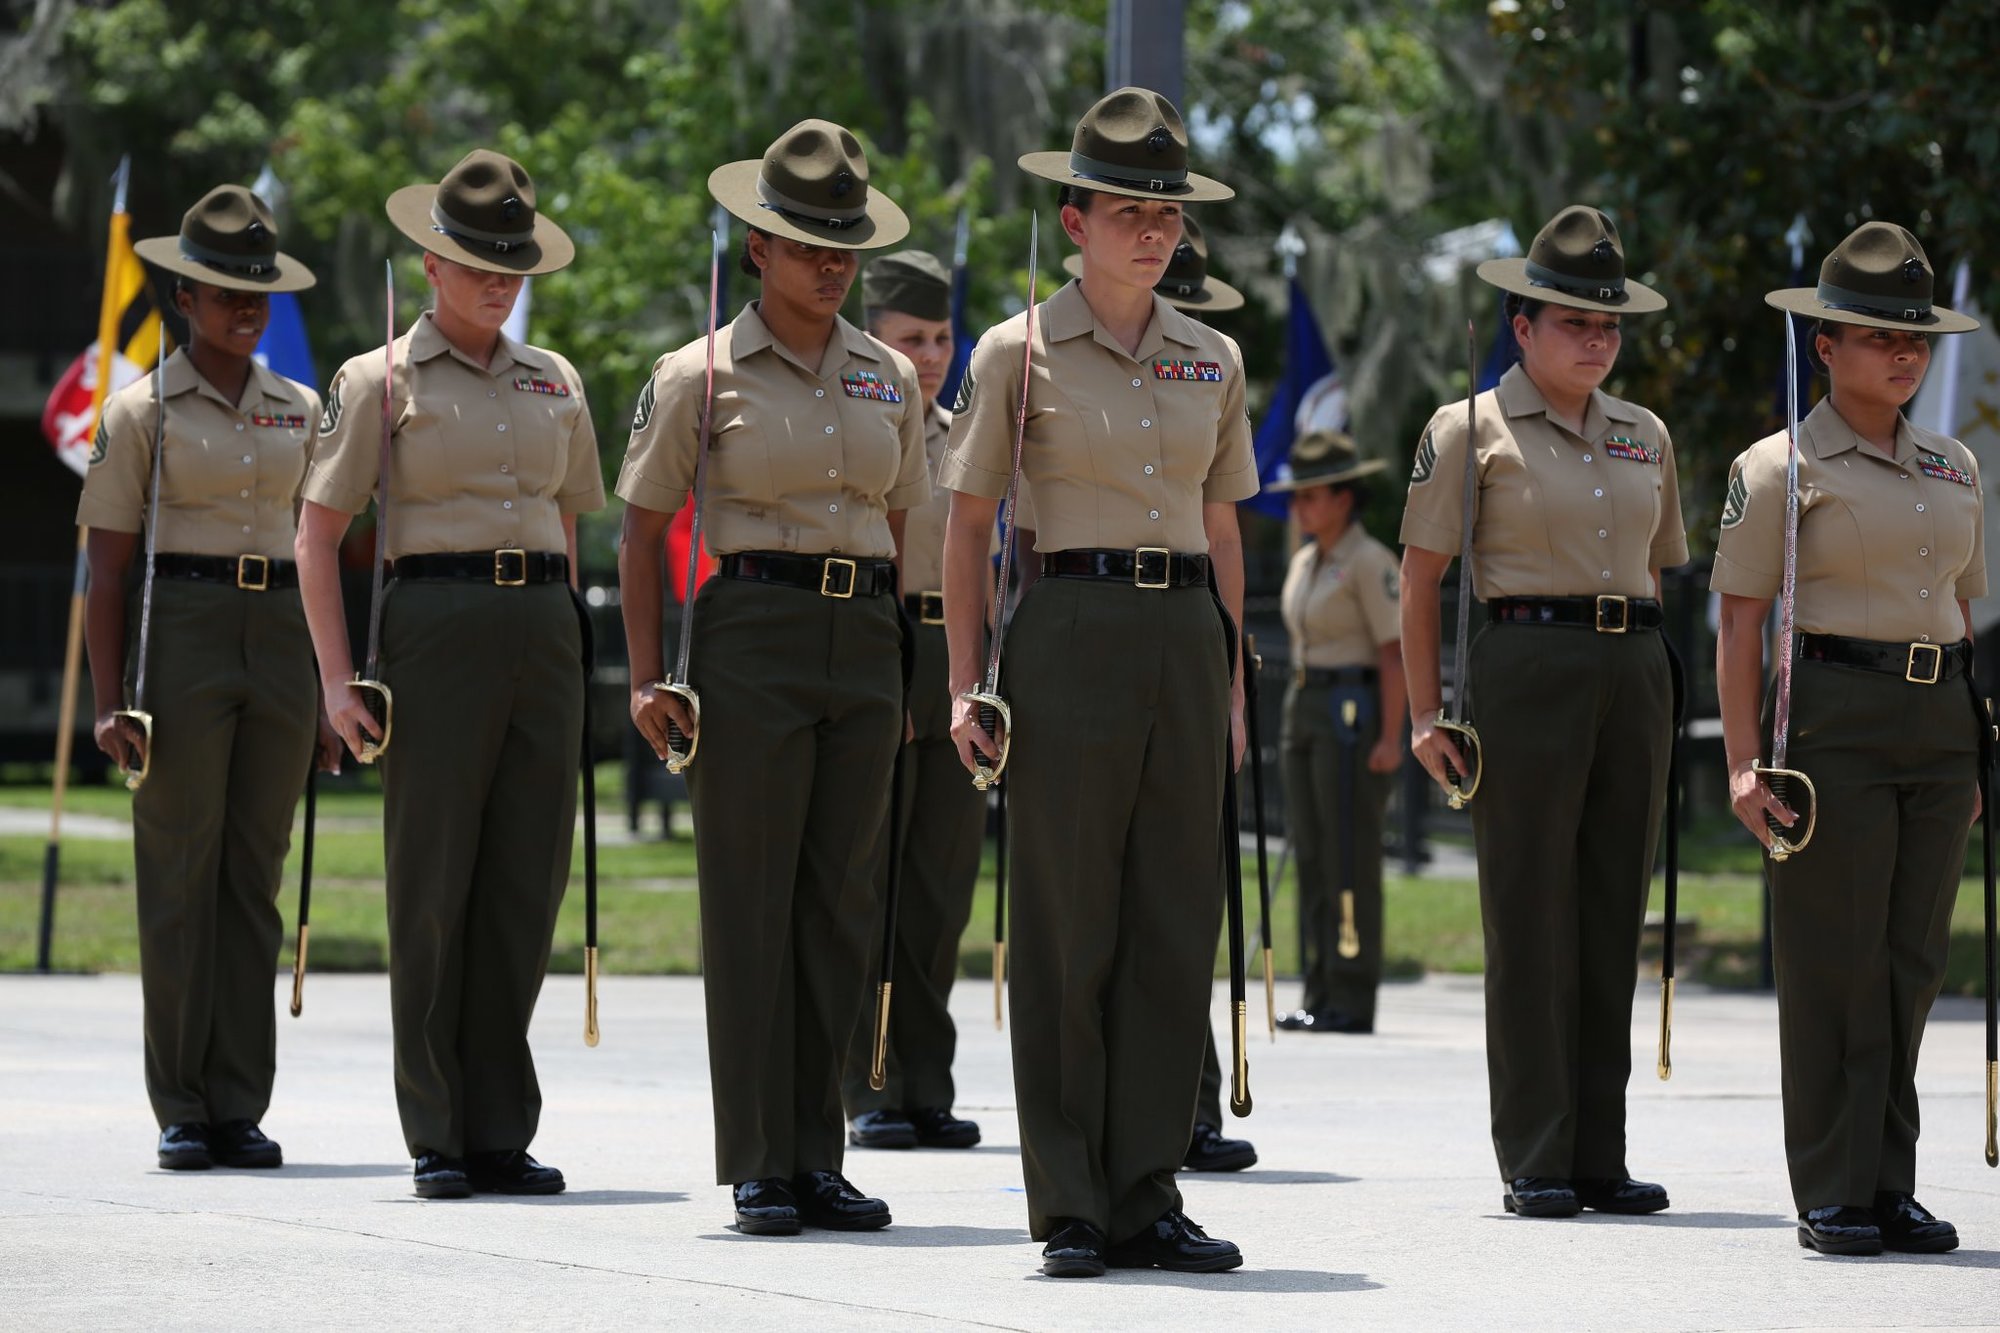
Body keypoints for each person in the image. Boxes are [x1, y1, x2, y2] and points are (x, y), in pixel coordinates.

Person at [941, 87, 1255, 1278]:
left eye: (1166, 213)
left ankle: (1145, 1193)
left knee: (1173, 922)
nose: (1152, 231)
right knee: (1067, 925)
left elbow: (1223, 529)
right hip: (1069, 624)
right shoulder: (1013, 351)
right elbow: (966, 524)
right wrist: (965, 683)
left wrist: (1231, 680)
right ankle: (1070, 1199)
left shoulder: (1211, 355)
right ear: (1073, 222)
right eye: (1127, 210)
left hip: (1184, 632)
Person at [618, 120, 927, 1237]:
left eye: (844, 244)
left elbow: (906, 521)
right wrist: (647, 677)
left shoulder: (890, 374)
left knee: (840, 907)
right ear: (758, 246)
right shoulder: (698, 374)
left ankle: (816, 1154)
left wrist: (907, 664)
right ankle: (758, 1159)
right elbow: (640, 529)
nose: (830, 263)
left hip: (864, 635)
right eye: (807, 244)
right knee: (752, 901)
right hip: (749, 631)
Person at [297, 149, 602, 1200]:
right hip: (433, 624)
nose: (496, 281)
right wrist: (337, 682)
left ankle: (498, 1129)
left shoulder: (555, 378)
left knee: (526, 880)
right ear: (431, 262)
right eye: (477, 261)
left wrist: (566, 630)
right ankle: (436, 1126)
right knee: (433, 883)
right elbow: (316, 534)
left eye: (512, 264)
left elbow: (569, 520)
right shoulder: (377, 381)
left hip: (542, 628)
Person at [1400, 204, 1685, 1220]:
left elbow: (1661, 567)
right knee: (1529, 916)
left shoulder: (1644, 434)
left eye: (1609, 325)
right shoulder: (1468, 428)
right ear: (1522, 327)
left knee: (1611, 911)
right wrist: (1425, 711)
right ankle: (1535, 1150)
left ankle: (1599, 1151)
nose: (1596, 340)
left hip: (1631, 665)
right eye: (1574, 322)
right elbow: (1420, 580)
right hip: (1523, 664)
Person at [1714, 221, 1982, 1258]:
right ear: (1824, 345)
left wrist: (1969, 741)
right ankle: (1832, 1184)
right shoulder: (1778, 467)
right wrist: (1743, 760)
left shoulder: (1954, 464)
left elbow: (1961, 610)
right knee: (1837, 957)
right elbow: (1741, 621)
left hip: (1937, 719)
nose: (1904, 354)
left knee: (1910, 960)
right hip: (1833, 716)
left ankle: (1887, 1182)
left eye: (1915, 338)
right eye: (1879, 336)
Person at [81, 184, 331, 1172]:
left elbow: (321, 550)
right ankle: (182, 1102)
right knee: (181, 872)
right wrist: (110, 700)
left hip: (279, 632)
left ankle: (238, 1102)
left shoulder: (301, 409)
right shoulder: (140, 411)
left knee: (253, 877)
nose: (245, 308)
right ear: (184, 296)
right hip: (179, 626)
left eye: (257, 292)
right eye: (225, 291)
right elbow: (106, 568)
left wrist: (328, 683)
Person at [840, 250, 984, 1153]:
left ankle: (928, 1081)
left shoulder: (970, 431)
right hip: (882, 642)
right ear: (873, 337)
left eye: (941, 338)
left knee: (941, 887)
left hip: (956, 655)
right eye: (911, 339)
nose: (930, 357)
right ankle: (871, 1083)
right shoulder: (864, 418)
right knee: (872, 881)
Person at [1266, 430, 1403, 1037]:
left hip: (1352, 707)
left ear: (1344, 498)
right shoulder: (1306, 559)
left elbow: (1393, 653)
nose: (1300, 507)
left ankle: (1351, 994)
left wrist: (1391, 736)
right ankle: (1318, 989)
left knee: (1349, 854)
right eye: (1297, 496)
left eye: (1311, 496)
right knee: (1312, 852)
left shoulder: (1370, 561)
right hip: (1305, 704)